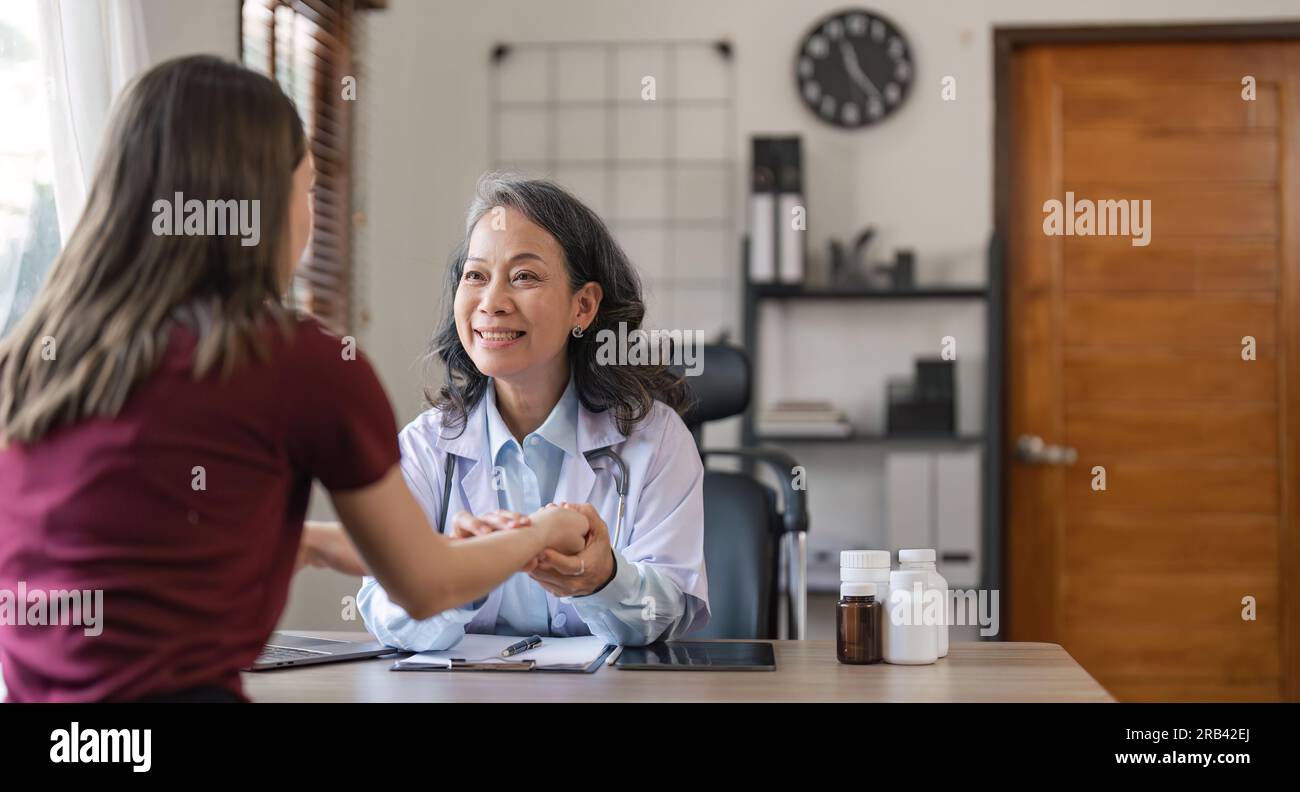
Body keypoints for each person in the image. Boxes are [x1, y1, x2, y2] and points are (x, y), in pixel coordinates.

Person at [0, 56, 586, 703]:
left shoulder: (31, 359)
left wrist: (308, 543)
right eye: (307, 189)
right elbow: (426, 585)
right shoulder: (298, 364)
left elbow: (133, 541)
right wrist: (540, 532)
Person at [356, 174, 709, 651]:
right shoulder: (426, 445)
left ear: (582, 306)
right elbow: (381, 607)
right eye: (476, 276)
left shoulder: (655, 441)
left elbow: (669, 611)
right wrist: (457, 577)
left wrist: (603, 578)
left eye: (524, 277)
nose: (492, 303)